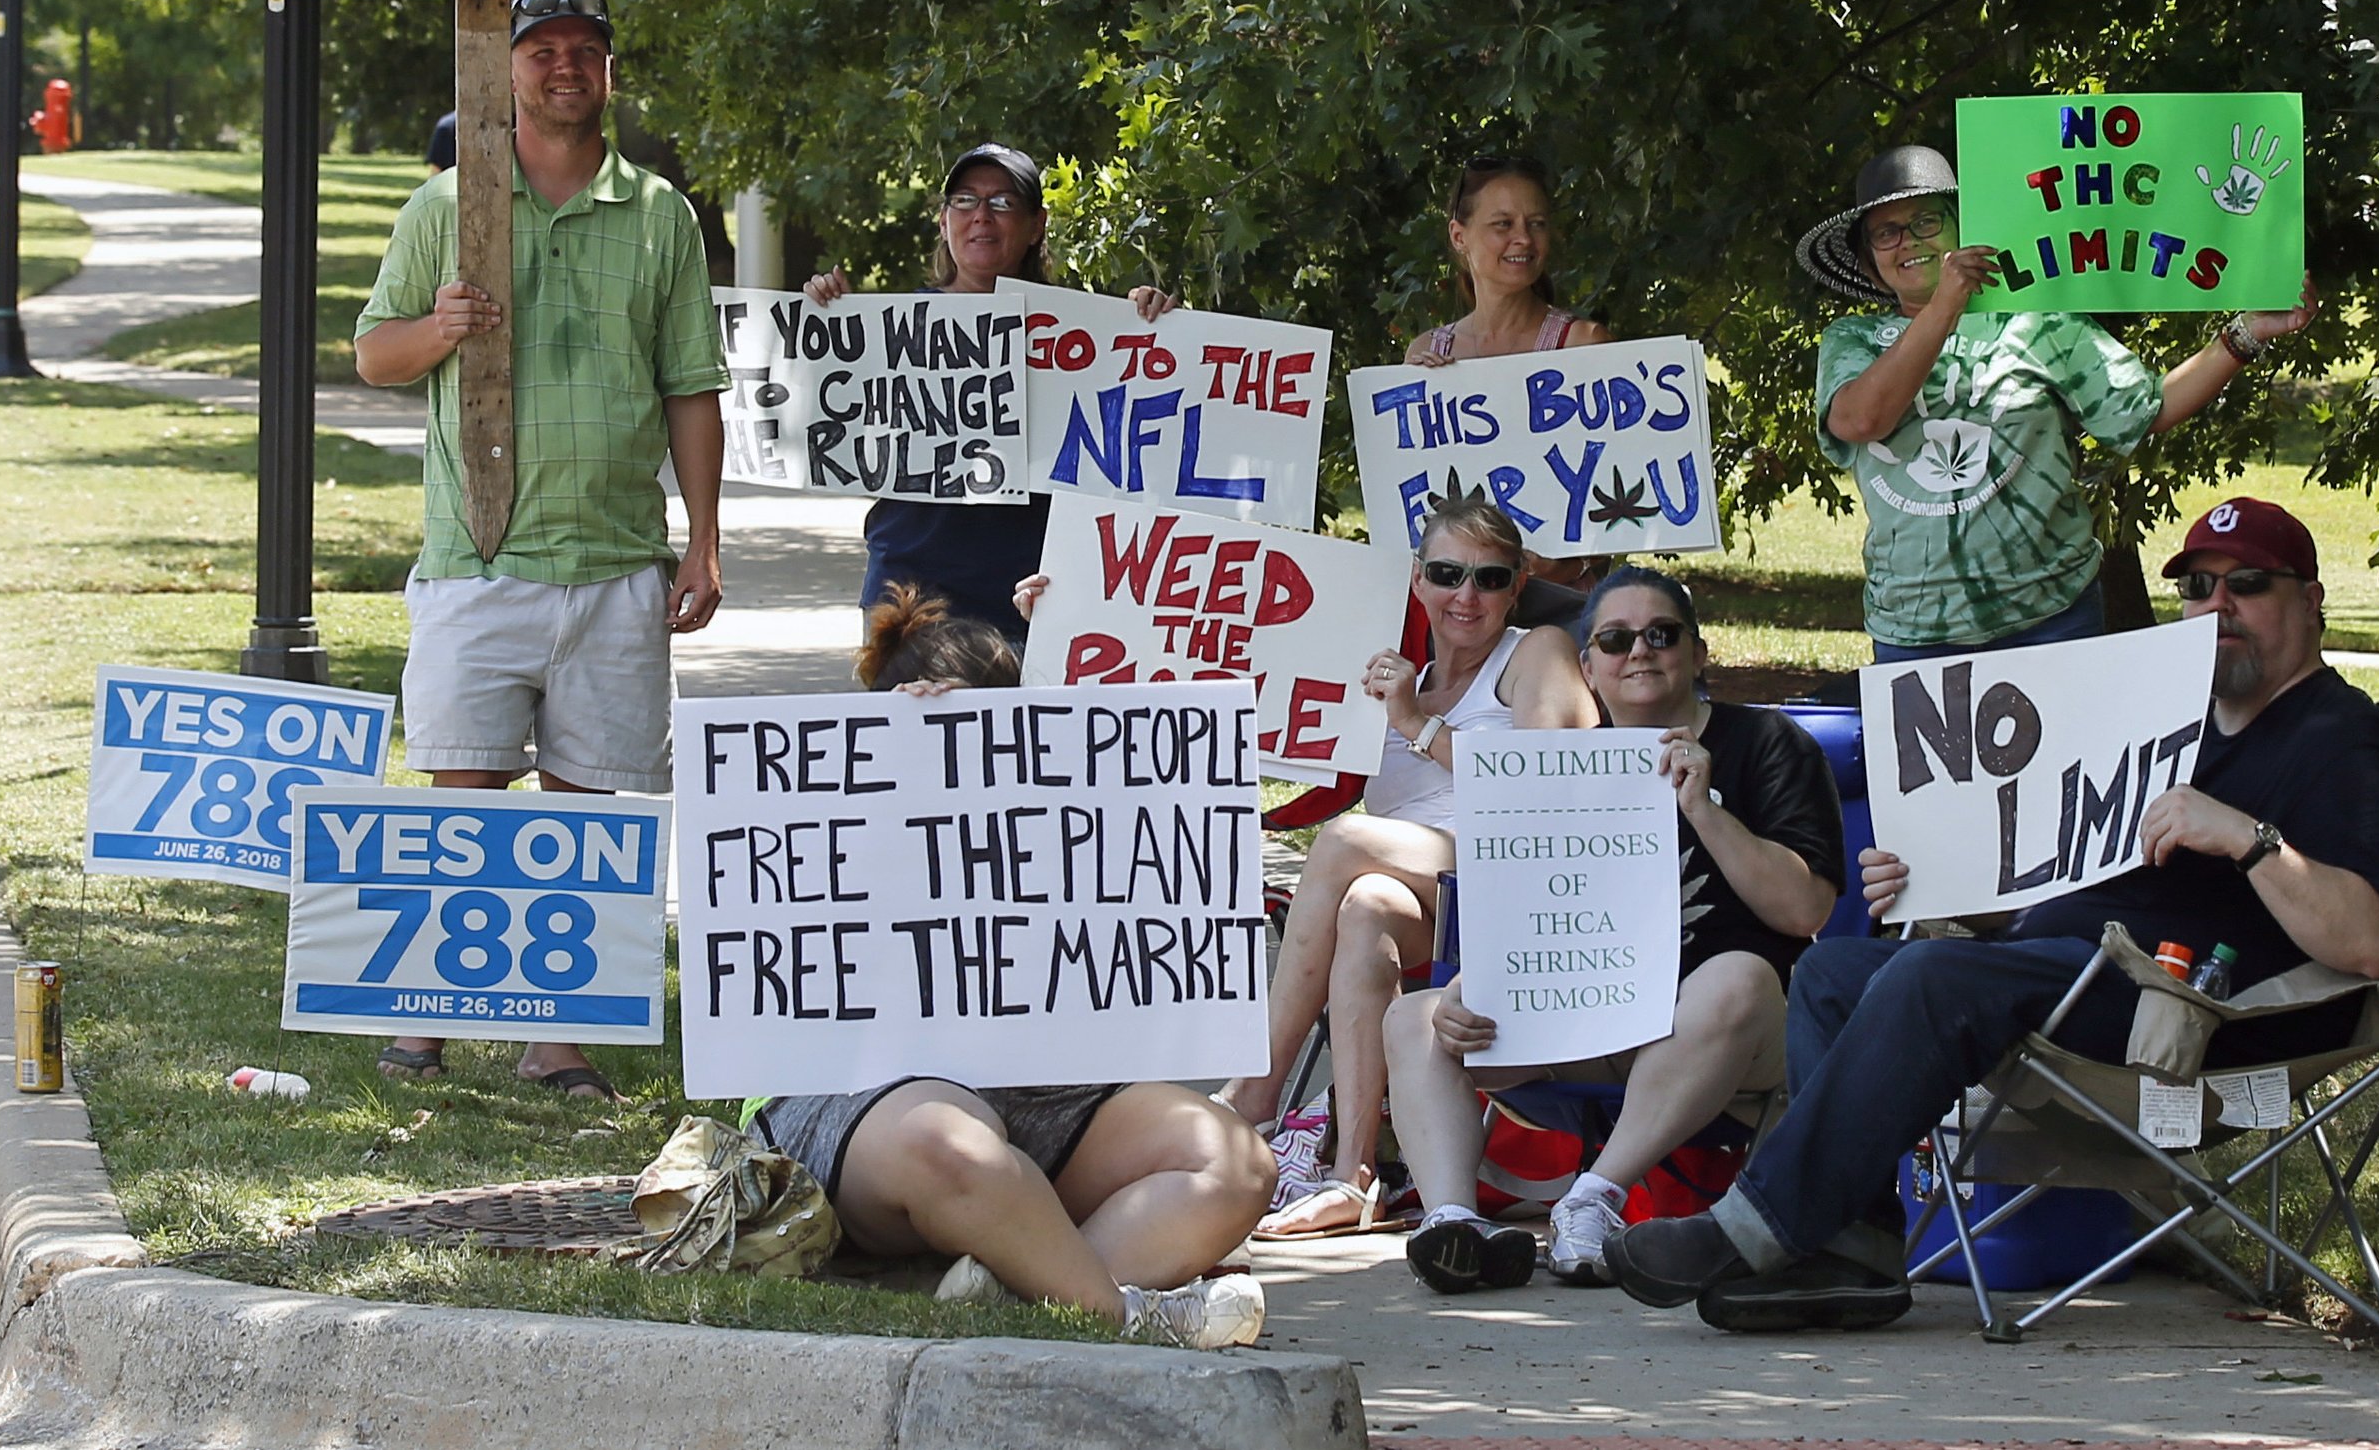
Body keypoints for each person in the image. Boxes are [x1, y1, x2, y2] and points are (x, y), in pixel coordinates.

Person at [1604, 497, 2379, 1333]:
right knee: (1832, 973)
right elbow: (2083, 879)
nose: (2218, 607)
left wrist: (2247, 838)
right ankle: (1853, 1248)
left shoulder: (2336, 739)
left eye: (2248, 585)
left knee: (1931, 977)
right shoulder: (2177, 725)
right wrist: (1960, 897)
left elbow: (2375, 943)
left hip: (2201, 1017)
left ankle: (1755, 1224)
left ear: (2311, 599)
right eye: (2199, 588)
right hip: (2078, 977)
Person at [353, 0, 729, 1101]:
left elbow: (690, 386)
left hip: (616, 559)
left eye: (584, 49)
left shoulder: (661, 214)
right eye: (542, 50)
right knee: (463, 791)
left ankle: (554, 1044)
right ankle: (423, 1021)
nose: (565, 67)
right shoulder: (447, 206)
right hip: (479, 554)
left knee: (584, 811)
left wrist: (702, 541)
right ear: (507, 69)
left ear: (610, 69)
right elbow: (376, 352)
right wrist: (442, 329)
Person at [750, 587, 1273, 1349]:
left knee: (1235, 1164)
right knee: (954, 1146)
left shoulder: (1068, 805)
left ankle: (1017, 1290)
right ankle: (1121, 1317)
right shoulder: (833, 806)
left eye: (985, 724)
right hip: (870, 1098)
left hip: (1046, 1098)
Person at [1385, 567, 1846, 1292]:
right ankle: (1455, 1224)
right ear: (1590, 667)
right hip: (1577, 1021)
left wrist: (1705, 811)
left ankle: (1593, 1200)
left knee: (1739, 978)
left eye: (1662, 635)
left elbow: (1805, 912)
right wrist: (1475, 984)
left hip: (1715, 1038)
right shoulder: (1547, 769)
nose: (1640, 651)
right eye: (1616, 639)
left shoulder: (1766, 742)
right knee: (1417, 1016)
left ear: (1698, 654)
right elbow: (1523, 908)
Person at [1230, 498, 1601, 1238]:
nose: (1468, 595)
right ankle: (1354, 1174)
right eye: (1447, 573)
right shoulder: (1388, 674)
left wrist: (1417, 727)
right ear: (1417, 580)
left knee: (1346, 843)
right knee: (1366, 905)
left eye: (1490, 579)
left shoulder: (1536, 653)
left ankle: (1254, 1092)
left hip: (1518, 875)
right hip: (1433, 901)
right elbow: (1203, 660)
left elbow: (1557, 780)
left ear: (1517, 585)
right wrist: (1059, 611)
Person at [1795, 144, 2317, 662]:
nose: (1908, 241)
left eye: (1927, 221)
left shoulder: (2037, 321)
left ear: (1964, 225)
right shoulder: (1854, 340)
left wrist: (2247, 332)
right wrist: (1946, 304)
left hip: (2055, 619)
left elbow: (2146, 408)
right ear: (1869, 256)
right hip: (1913, 633)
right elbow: (1859, 418)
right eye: (1886, 232)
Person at [804, 142, 1174, 642]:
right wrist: (829, 324)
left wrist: (1156, 331)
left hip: (1037, 593)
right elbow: (840, 438)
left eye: (1002, 203)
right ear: (943, 220)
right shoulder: (889, 333)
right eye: (965, 200)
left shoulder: (1085, 338)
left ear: (1036, 224)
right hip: (911, 592)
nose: (981, 216)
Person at [1405, 154, 1614, 596]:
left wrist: (1565, 564)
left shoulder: (1584, 345)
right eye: (1503, 224)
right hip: (1459, 609)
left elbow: (1618, 497)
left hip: (1557, 606)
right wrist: (1419, 397)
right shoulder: (1426, 353)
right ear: (1459, 236)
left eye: (1536, 223)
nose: (1523, 238)